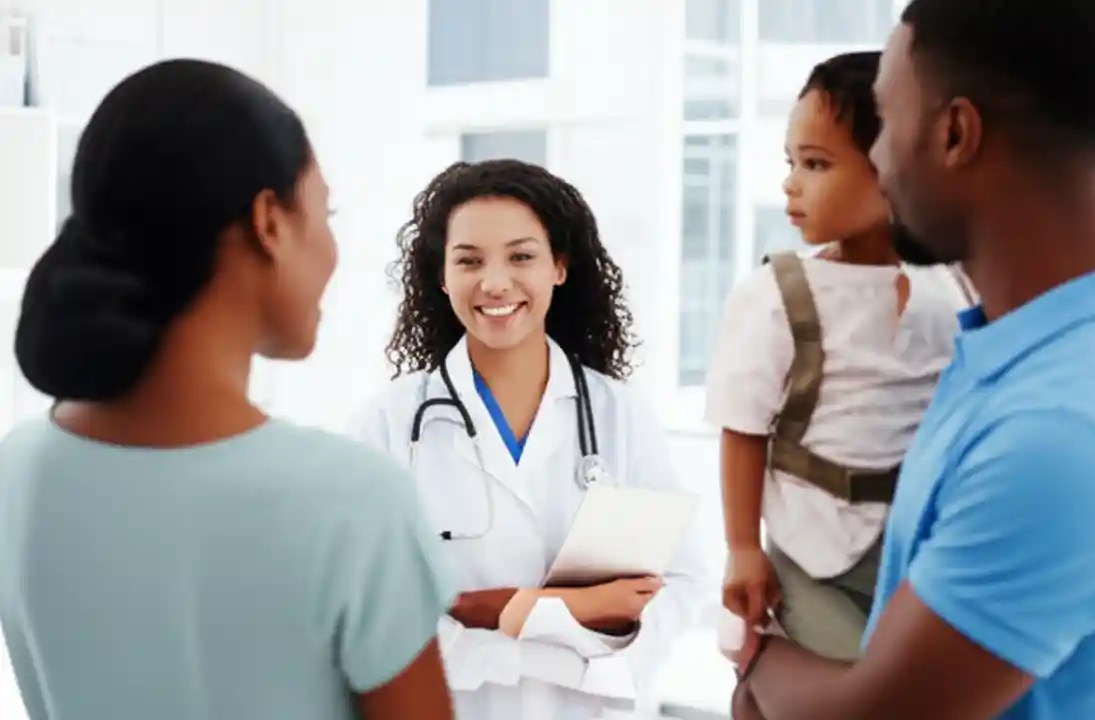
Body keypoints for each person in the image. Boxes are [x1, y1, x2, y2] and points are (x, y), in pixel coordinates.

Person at [728, 1, 1095, 718]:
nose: (878, 162)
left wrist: (756, 663)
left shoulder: (1059, 437)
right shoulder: (1013, 353)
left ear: (955, 133)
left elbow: (878, 713)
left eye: (885, 125)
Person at [0, 60, 455, 720]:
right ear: (269, 220)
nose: (332, 245)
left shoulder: (14, 473)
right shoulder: (353, 504)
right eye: (323, 211)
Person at [349, 159, 712, 720]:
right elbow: (375, 615)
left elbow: (683, 582)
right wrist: (561, 631)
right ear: (441, 276)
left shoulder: (619, 415)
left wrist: (499, 618)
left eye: (521, 256)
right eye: (469, 261)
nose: (495, 283)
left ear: (559, 267)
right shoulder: (390, 425)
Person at [707, 50, 969, 664]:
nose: (790, 183)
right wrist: (743, 547)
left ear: (893, 168)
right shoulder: (778, 294)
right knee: (856, 686)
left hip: (916, 546)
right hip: (810, 545)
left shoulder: (951, 285)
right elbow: (743, 427)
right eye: (792, 162)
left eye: (816, 164)